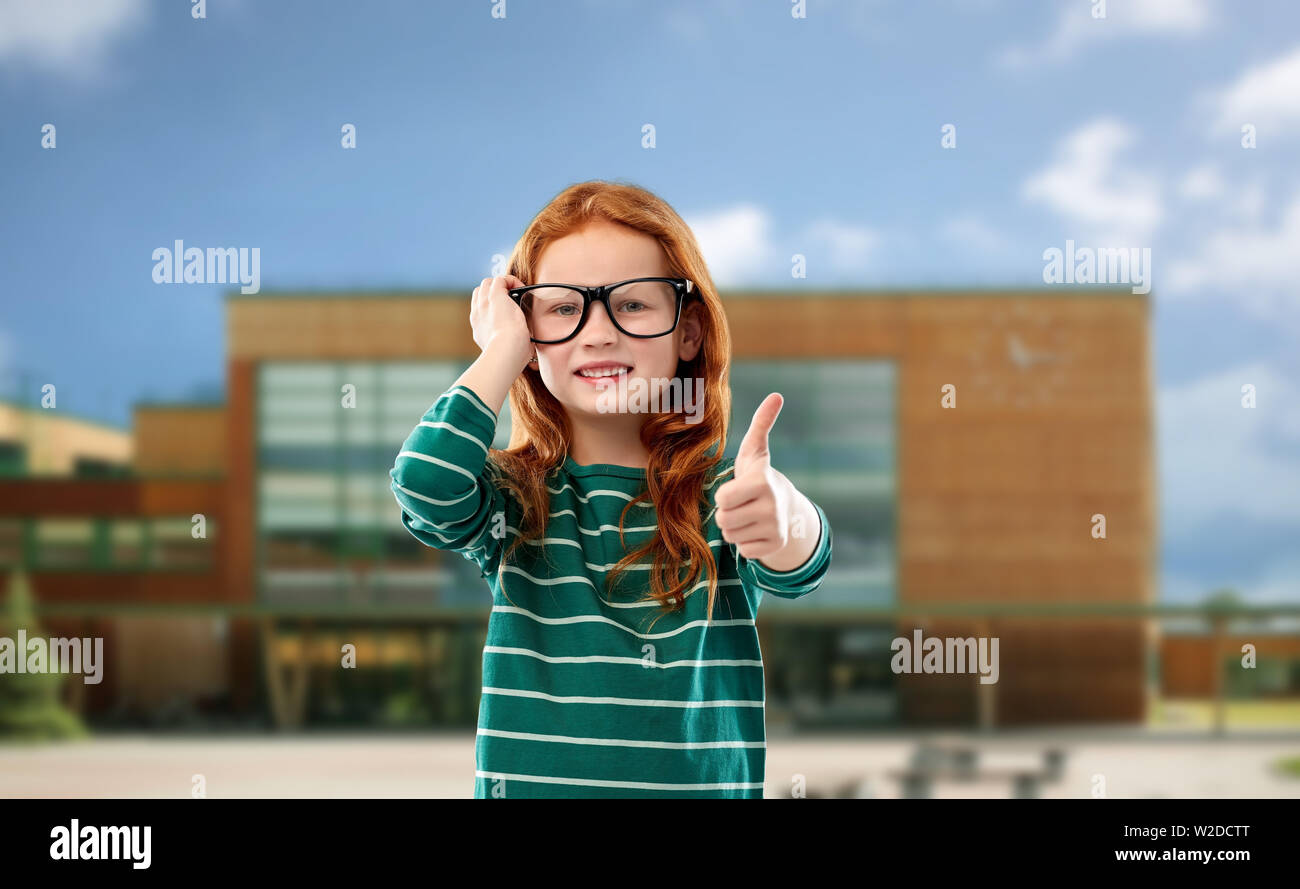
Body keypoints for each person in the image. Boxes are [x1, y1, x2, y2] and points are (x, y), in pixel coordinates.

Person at [390, 180, 832, 798]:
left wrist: (784, 514)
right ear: (527, 331)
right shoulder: (514, 498)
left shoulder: (724, 496)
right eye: (563, 309)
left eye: (631, 305)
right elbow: (425, 483)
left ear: (689, 333)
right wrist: (501, 350)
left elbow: (802, 561)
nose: (596, 333)